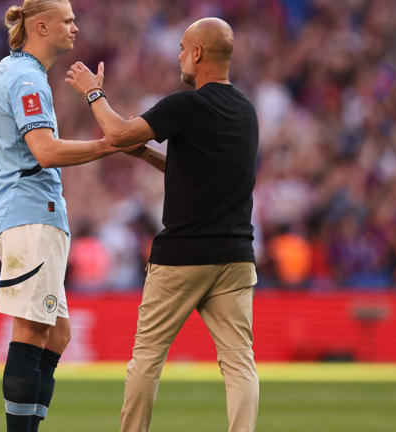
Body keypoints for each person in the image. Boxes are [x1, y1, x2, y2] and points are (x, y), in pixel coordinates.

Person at [66, 17, 260, 432]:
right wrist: (147, 157)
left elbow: (117, 133)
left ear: (198, 53)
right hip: (235, 257)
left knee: (148, 358)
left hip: (183, 257)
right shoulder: (246, 112)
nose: (178, 56)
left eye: (182, 47)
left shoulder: (186, 105)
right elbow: (197, 171)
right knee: (240, 362)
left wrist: (93, 92)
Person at [0, 1, 142, 431]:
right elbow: (46, 150)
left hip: (21, 211)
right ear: (42, 26)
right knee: (32, 330)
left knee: (57, 333)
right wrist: (111, 144)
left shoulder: (6, 71)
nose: (76, 27)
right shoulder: (28, 78)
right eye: (68, 21)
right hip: (30, 213)